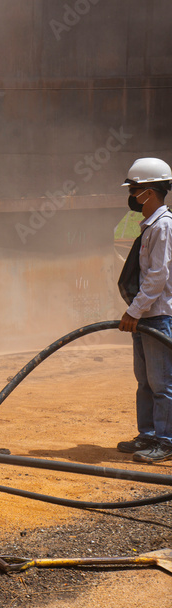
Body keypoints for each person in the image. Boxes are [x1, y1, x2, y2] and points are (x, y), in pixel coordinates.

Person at [116, 157, 172, 463]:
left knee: (162, 383)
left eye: (135, 188)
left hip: (157, 315)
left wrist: (134, 311)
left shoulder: (163, 227)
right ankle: (149, 434)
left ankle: (166, 441)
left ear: (149, 192)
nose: (132, 195)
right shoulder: (150, 226)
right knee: (146, 381)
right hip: (146, 316)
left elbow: (156, 278)